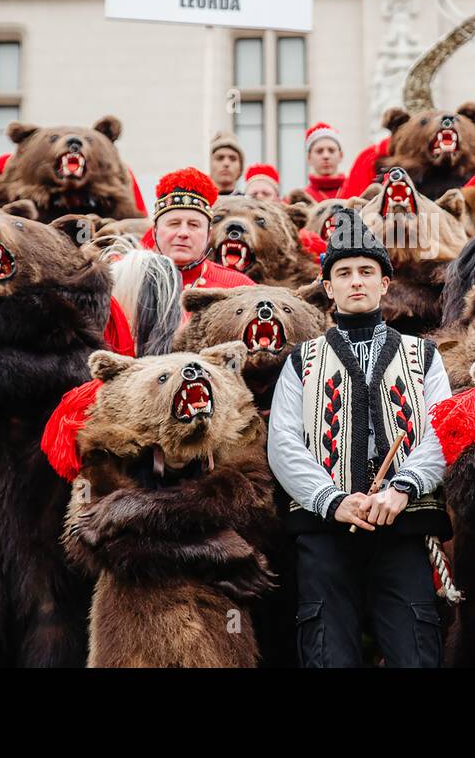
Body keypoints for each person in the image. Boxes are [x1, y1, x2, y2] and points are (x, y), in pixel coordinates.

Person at [267, 208, 451, 667]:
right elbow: (283, 443)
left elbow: (442, 429)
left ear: (384, 283)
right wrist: (332, 499)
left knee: (415, 652)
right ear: (328, 288)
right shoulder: (301, 359)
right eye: (344, 273)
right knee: (328, 653)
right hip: (325, 532)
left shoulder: (423, 355)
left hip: (403, 526)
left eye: (367, 271)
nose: (356, 281)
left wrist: (402, 489)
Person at [147, 166, 254, 294]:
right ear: (154, 232)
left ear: (209, 234)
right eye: (174, 223)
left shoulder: (239, 288)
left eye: (193, 225)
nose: (183, 233)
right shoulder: (130, 282)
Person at [303, 122, 346, 201]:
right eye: (319, 151)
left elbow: (359, 213)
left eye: (331, 150)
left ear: (341, 155)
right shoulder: (302, 199)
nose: (326, 156)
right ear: (309, 157)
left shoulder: (356, 192)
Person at [209, 131, 245, 196]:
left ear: (240, 168)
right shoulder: (198, 203)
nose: (226, 163)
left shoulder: (250, 204)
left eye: (233, 159)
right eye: (220, 158)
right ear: (211, 164)